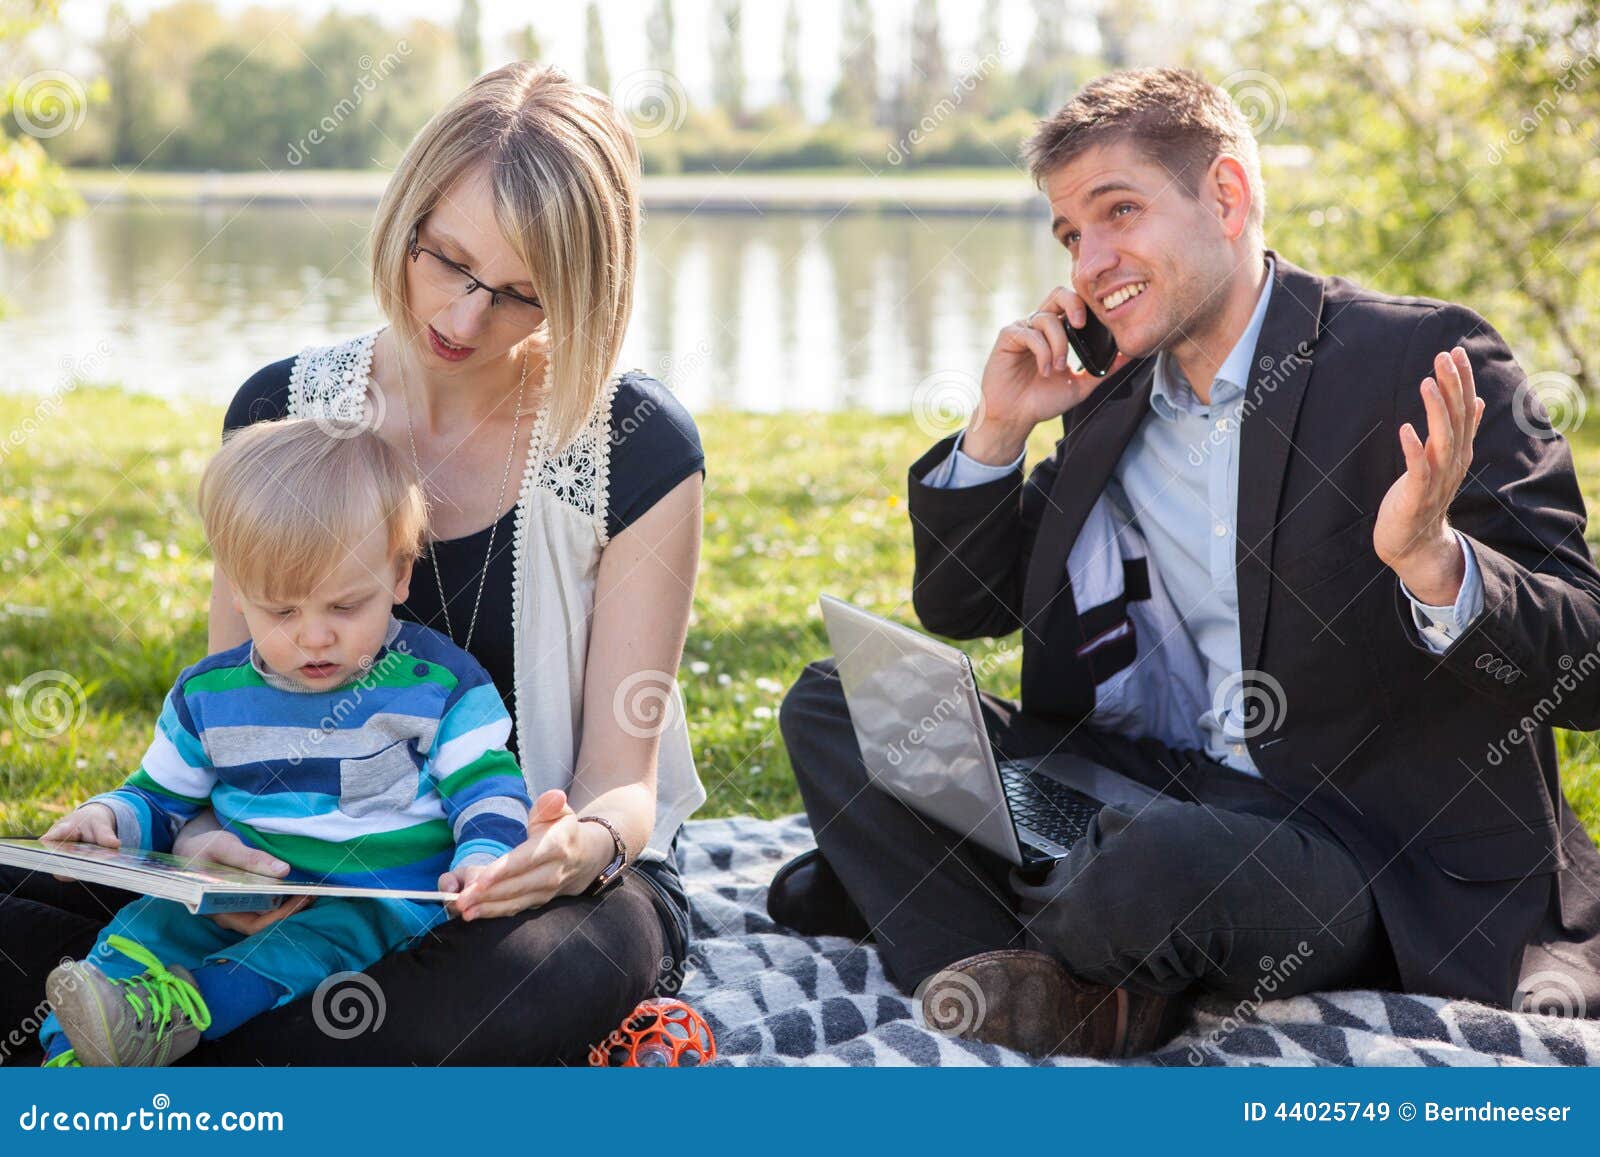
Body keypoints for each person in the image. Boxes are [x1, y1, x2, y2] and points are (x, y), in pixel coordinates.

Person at [770, 66, 1600, 1059]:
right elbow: (965, 603)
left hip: (1350, 846)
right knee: (842, 701)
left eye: (1118, 211)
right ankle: (1054, 978)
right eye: (1070, 234)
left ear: (1227, 195)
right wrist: (996, 430)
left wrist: (1436, 564)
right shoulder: (1111, 395)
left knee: (1146, 867)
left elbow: (1586, 659)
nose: (1091, 263)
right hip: (1133, 783)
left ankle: (953, 907)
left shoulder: (1420, 359)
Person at [0, 63, 707, 1065]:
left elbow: (621, 787)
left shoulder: (635, 444)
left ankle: (157, 1050)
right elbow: (230, 703)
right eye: (447, 261)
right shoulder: (279, 413)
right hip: (290, 859)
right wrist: (203, 845)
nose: (464, 320)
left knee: (541, 974)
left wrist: (571, 850)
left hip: (518, 891)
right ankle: (201, 1037)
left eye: (521, 295)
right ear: (404, 216)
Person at [37, 420, 534, 1067]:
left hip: (379, 900)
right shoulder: (208, 697)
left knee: (306, 946)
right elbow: (158, 799)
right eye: (282, 611)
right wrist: (106, 817)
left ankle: (174, 1017)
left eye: (345, 606)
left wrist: (486, 854)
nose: (315, 637)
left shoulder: (438, 685)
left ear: (399, 574)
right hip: (243, 886)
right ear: (237, 591)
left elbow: (488, 787)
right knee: (142, 927)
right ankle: (72, 1054)